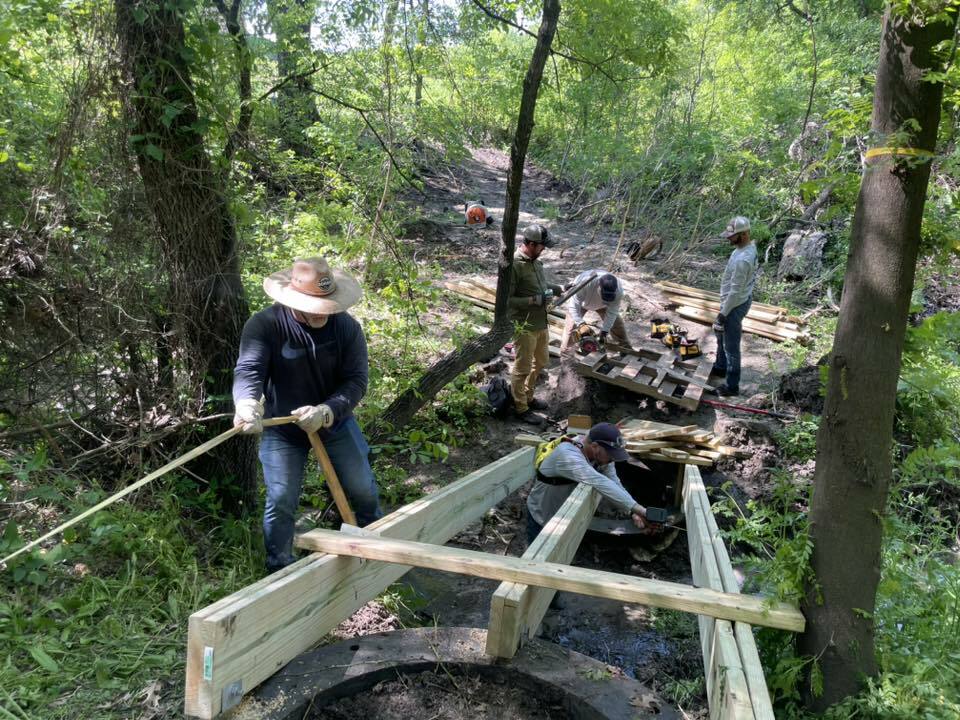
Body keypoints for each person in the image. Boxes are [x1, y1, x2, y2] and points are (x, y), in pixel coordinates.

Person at [232, 257, 383, 573]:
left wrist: (327, 411)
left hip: (335, 421)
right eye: (314, 307)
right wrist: (246, 405)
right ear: (293, 301)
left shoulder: (346, 327)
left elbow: (356, 380)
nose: (321, 315)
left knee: (363, 489)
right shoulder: (265, 326)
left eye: (326, 306)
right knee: (282, 499)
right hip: (283, 430)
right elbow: (249, 370)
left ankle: (378, 557)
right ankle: (279, 569)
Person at [526, 422, 657, 543]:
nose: (613, 459)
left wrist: (634, 511)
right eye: (611, 455)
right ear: (595, 446)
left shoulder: (602, 457)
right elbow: (600, 482)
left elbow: (614, 482)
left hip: (563, 518)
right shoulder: (567, 455)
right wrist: (641, 510)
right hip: (541, 517)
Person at [508, 224, 563, 425]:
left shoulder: (536, 262)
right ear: (530, 244)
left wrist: (558, 288)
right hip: (524, 325)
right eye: (541, 246)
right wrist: (533, 301)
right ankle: (520, 407)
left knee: (540, 362)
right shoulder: (514, 265)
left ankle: (528, 397)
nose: (544, 250)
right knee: (522, 368)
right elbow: (506, 300)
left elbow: (541, 286)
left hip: (541, 322)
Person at [711, 216, 758, 396]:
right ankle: (720, 367)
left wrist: (723, 314)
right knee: (720, 334)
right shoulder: (744, 247)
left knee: (731, 346)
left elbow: (735, 292)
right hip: (734, 301)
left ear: (744, 234)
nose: (728, 239)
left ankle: (732, 386)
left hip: (734, 304)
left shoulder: (743, 260)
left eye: (732, 236)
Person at [560, 270, 630, 353]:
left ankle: (626, 350)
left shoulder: (619, 291)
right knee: (571, 328)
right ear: (599, 287)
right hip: (581, 303)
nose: (606, 299)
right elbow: (574, 305)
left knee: (617, 325)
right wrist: (580, 323)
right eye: (605, 296)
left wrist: (604, 331)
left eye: (609, 297)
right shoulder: (585, 283)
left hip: (603, 306)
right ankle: (566, 354)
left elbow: (612, 313)